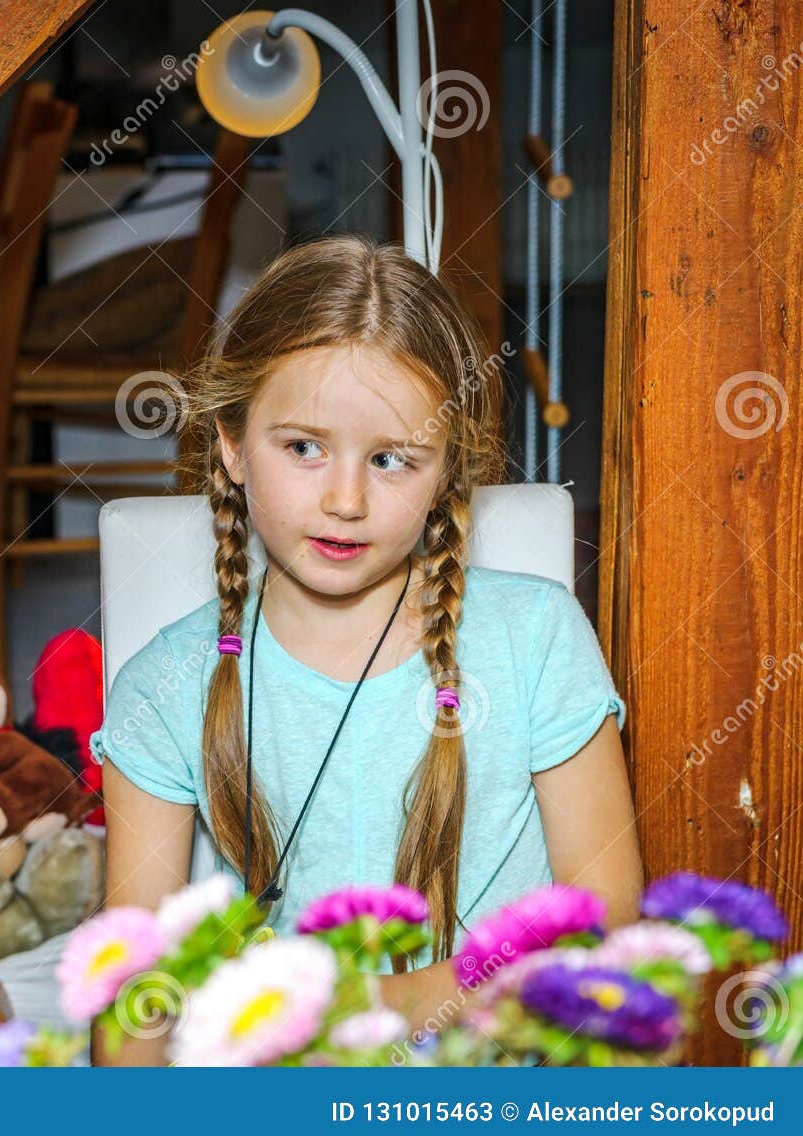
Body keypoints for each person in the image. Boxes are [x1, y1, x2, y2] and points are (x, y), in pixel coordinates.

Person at [91, 236, 643, 1064]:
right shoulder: (163, 686)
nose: (345, 500)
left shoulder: (536, 637)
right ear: (232, 444)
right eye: (303, 447)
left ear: (446, 469)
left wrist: (392, 1002)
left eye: (390, 459)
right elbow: (135, 1001)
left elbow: (606, 920)